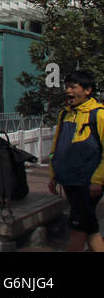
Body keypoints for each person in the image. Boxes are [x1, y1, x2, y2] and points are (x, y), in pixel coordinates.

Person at [48, 70, 103, 252]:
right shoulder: (65, 114)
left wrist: (97, 181)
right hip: (69, 181)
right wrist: (53, 175)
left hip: (87, 184)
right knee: (90, 229)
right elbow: (57, 148)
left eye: (73, 87)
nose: (68, 91)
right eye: (66, 86)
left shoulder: (99, 115)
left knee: (77, 229)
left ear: (87, 90)